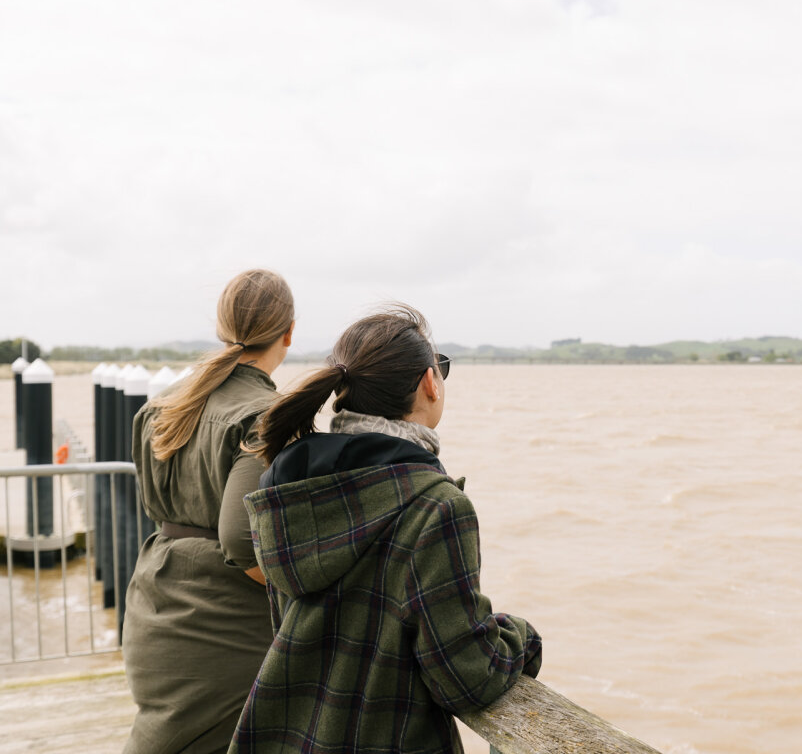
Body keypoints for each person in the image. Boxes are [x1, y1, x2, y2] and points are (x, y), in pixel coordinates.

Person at [229, 304, 541, 754]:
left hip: (284, 736)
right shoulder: (437, 506)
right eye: (441, 368)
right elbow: (467, 677)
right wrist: (520, 636)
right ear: (430, 382)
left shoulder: (289, 485)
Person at [123, 268, 296, 754]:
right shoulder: (268, 415)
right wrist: (305, 585)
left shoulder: (160, 407)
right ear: (289, 332)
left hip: (154, 600)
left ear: (223, 328)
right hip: (226, 623)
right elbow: (242, 544)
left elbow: (154, 507)